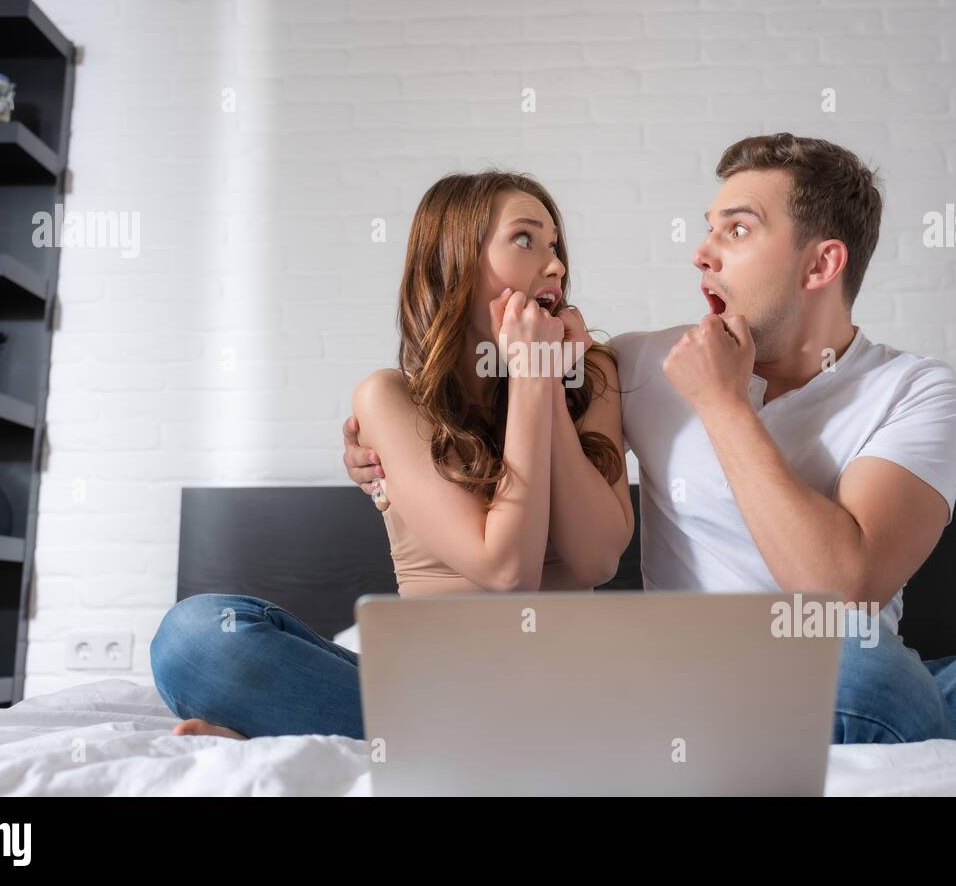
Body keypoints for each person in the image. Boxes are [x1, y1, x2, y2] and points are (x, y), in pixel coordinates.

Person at [344, 133, 956, 750]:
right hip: (700, 693)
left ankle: (933, 731)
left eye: (736, 231)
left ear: (821, 266)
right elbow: (504, 423)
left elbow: (844, 585)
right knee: (859, 665)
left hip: (871, 678)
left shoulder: (918, 391)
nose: (701, 252)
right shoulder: (627, 365)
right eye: (709, 228)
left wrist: (723, 405)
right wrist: (379, 443)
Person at [150, 170, 633, 739]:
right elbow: (507, 568)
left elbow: (578, 563)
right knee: (197, 637)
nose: (555, 266)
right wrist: (533, 373)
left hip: (552, 688)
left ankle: (332, 729)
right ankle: (425, 735)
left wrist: (543, 380)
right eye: (525, 239)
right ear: (455, 261)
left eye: (555, 246)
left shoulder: (590, 373)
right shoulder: (389, 398)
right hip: (428, 688)